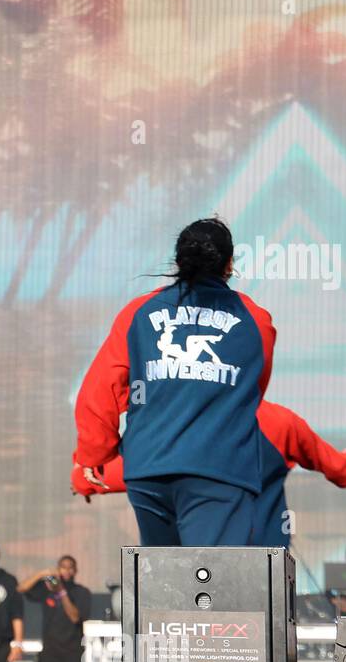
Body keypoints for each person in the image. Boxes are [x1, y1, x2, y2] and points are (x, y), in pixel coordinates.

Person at [74, 218, 276, 546]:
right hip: (219, 472)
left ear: (178, 262)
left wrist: (93, 458)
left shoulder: (137, 312)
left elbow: (100, 392)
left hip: (149, 471)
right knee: (211, 586)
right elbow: (252, 390)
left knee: (163, 583)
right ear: (229, 264)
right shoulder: (256, 321)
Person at [73, 400, 346, 549]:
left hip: (193, 566)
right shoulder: (282, 422)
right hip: (264, 561)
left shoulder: (179, 425)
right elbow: (337, 468)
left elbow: (121, 471)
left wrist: (83, 481)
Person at [19, 555, 92, 662]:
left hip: (72, 651)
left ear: (75, 570)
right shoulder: (47, 590)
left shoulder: (81, 592)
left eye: (70, 567)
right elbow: (21, 588)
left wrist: (62, 591)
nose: (66, 571)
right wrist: (42, 574)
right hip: (50, 652)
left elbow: (74, 617)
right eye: (63, 567)